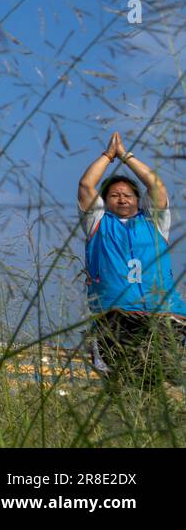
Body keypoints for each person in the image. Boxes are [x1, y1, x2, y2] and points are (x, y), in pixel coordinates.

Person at [78, 131, 186, 390]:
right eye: (115, 195)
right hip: (116, 318)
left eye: (128, 194)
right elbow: (86, 186)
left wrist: (125, 156)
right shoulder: (98, 223)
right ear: (105, 202)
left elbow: (156, 186)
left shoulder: (155, 222)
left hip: (164, 315)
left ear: (139, 201)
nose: (122, 198)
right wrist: (108, 155)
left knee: (169, 388)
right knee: (125, 387)